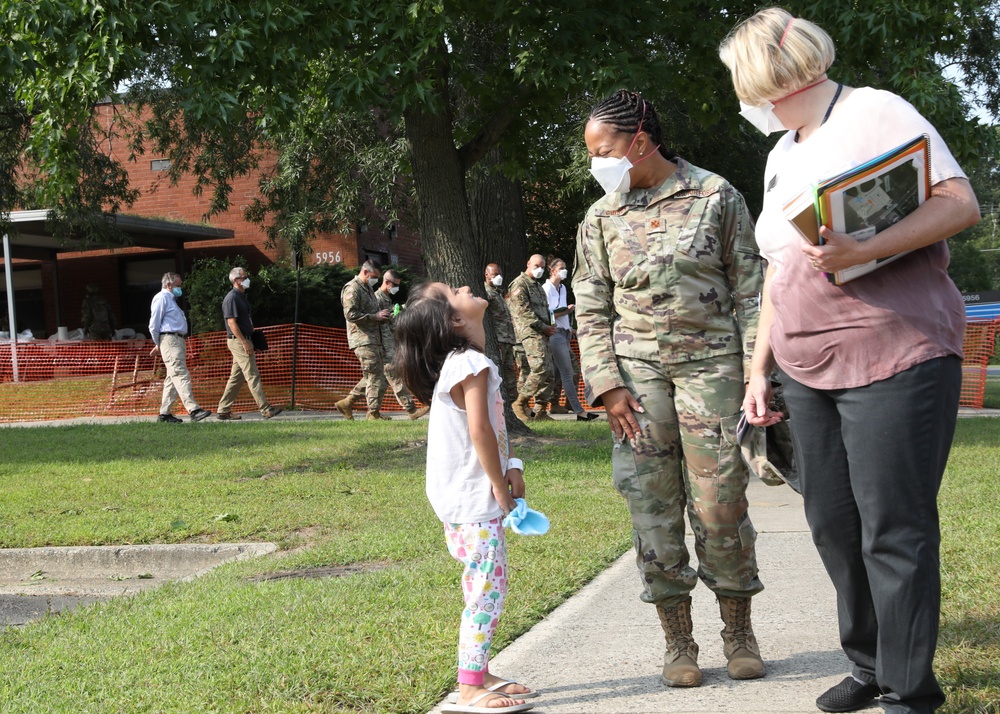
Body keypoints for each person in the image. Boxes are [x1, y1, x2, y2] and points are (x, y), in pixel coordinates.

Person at [719, 9, 980, 714]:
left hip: (895, 352)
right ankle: (868, 663)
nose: (742, 99)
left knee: (893, 524)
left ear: (773, 77)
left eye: (743, 82)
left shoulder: (875, 112)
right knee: (833, 523)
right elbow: (778, 272)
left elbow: (960, 205)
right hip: (805, 366)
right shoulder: (781, 153)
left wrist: (863, 248)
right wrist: (758, 369)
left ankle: (907, 690)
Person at [573, 89, 767, 688]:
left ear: (639, 142)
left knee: (720, 505)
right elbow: (590, 305)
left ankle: (739, 632)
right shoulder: (601, 216)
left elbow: (752, 290)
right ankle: (678, 642)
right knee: (653, 508)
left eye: (602, 151)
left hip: (712, 371)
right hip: (637, 381)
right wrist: (606, 385)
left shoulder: (715, 195)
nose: (595, 164)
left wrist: (758, 373)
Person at [393, 281, 535, 714]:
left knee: (487, 586)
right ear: (454, 320)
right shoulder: (469, 362)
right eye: (453, 291)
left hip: (463, 498)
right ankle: (470, 688)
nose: (466, 286)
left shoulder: (462, 362)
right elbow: (479, 430)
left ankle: (480, 672)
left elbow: (492, 427)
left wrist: (512, 465)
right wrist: (499, 487)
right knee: (486, 591)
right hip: (473, 501)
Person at [216, 267, 283, 420]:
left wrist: (252, 340)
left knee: (236, 377)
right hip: (239, 341)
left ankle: (223, 410)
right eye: (244, 277)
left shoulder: (240, 297)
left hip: (243, 340)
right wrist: (244, 342)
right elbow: (231, 323)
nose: (247, 279)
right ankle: (265, 409)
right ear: (236, 280)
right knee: (252, 375)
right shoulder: (232, 298)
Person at [148, 273, 211, 423]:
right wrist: (159, 344)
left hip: (176, 340)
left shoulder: (171, 300)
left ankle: (164, 414)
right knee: (180, 373)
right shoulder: (161, 298)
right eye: (178, 285)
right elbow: (153, 325)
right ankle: (194, 410)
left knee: (172, 377)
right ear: (168, 285)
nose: (180, 288)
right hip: (170, 340)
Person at [543, 258, 598, 421]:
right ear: (552, 270)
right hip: (555, 334)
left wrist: (570, 328)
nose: (564, 271)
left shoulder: (562, 288)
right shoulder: (545, 289)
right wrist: (565, 311)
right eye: (561, 268)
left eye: (565, 267)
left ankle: (539, 407)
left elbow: (560, 315)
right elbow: (547, 315)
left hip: (565, 333)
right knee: (567, 372)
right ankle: (579, 412)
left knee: (556, 374)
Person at [336, 260, 391, 421]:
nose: (375, 280)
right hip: (362, 339)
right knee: (374, 375)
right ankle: (373, 413)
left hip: (373, 338)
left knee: (376, 374)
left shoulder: (367, 288)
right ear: (365, 271)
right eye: (374, 276)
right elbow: (350, 314)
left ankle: (347, 403)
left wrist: (382, 315)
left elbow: (373, 311)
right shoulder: (352, 288)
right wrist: (375, 316)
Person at [373, 269, 429, 419]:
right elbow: (380, 323)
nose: (397, 288)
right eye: (395, 285)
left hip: (390, 342)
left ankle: (354, 404)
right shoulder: (377, 299)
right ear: (386, 282)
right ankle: (411, 409)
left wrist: (399, 313)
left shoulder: (386, 299)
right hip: (384, 344)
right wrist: (394, 317)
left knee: (375, 379)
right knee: (394, 374)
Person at [506, 255, 557, 422]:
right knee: (540, 367)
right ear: (528, 264)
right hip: (529, 333)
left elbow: (546, 310)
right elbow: (524, 312)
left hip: (543, 333)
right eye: (536, 266)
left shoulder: (538, 286)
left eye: (542, 267)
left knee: (549, 372)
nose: (539, 269)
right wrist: (543, 327)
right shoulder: (520, 284)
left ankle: (540, 411)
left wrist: (550, 326)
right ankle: (520, 403)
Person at [483, 263, 520, 407]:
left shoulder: (498, 292)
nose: (498, 277)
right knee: (497, 371)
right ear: (487, 275)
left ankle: (512, 404)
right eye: (494, 274)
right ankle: (498, 404)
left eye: (500, 274)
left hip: (508, 338)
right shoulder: (486, 292)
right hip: (498, 339)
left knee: (509, 371)